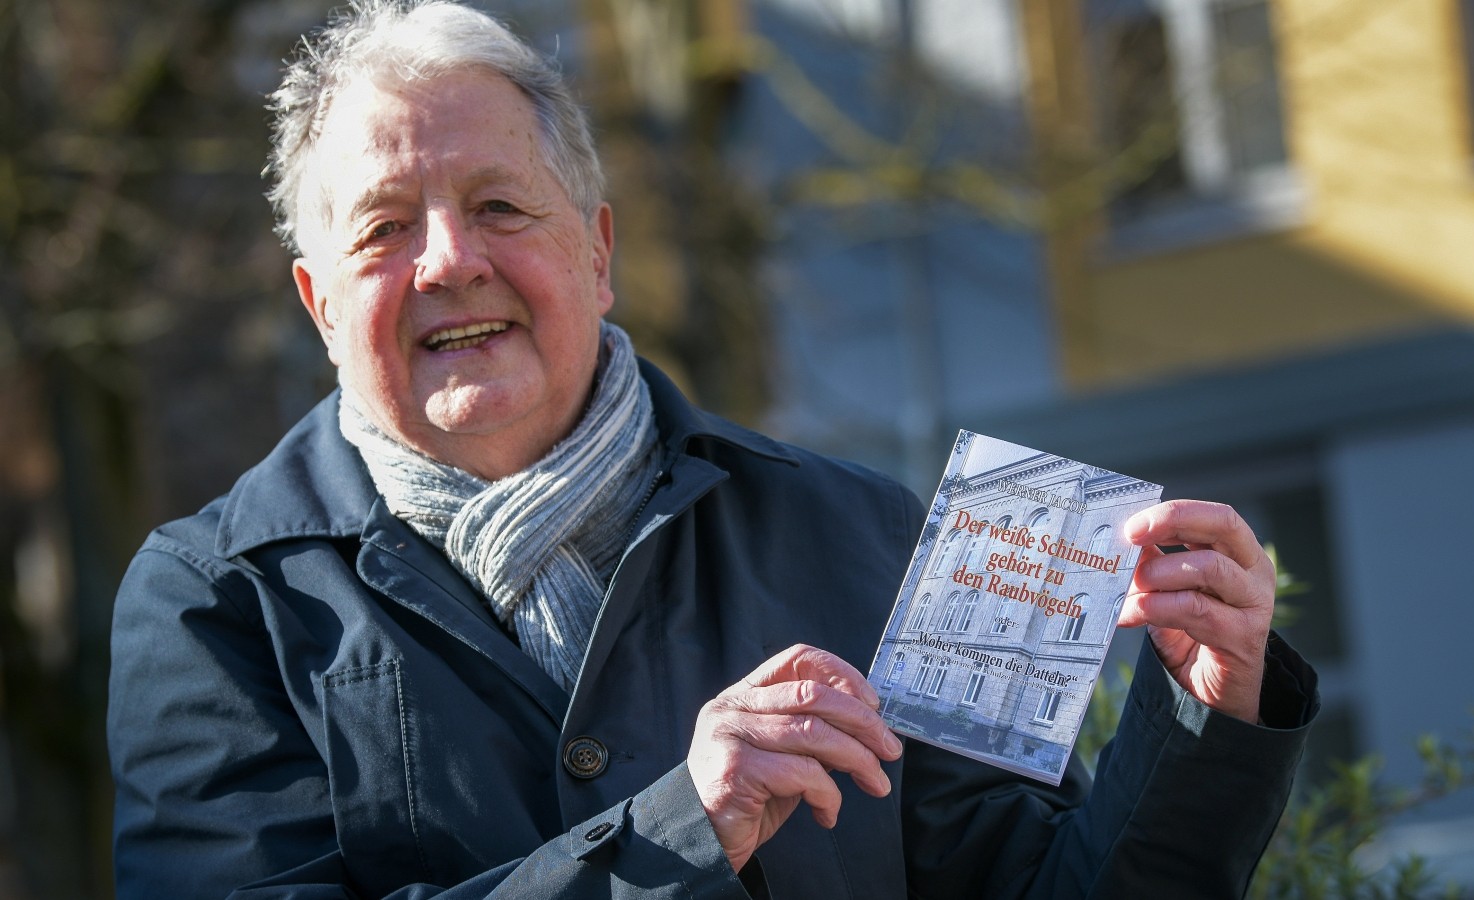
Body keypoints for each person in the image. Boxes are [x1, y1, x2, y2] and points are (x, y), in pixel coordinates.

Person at [106, 1, 1318, 896]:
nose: (447, 261)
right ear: (319, 306)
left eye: (498, 206)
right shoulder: (211, 604)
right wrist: (685, 825)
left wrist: (1206, 707)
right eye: (384, 228)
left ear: (597, 249)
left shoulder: (863, 531)